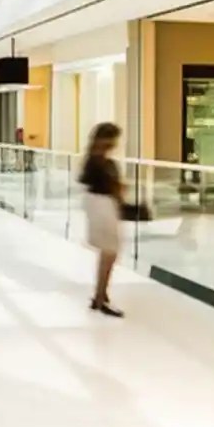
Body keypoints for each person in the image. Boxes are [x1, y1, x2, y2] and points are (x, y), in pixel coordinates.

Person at [79, 122, 125, 318]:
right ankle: (100, 296)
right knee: (109, 251)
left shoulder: (97, 162)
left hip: (102, 206)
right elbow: (112, 187)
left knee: (109, 252)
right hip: (102, 207)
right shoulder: (100, 163)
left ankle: (101, 293)